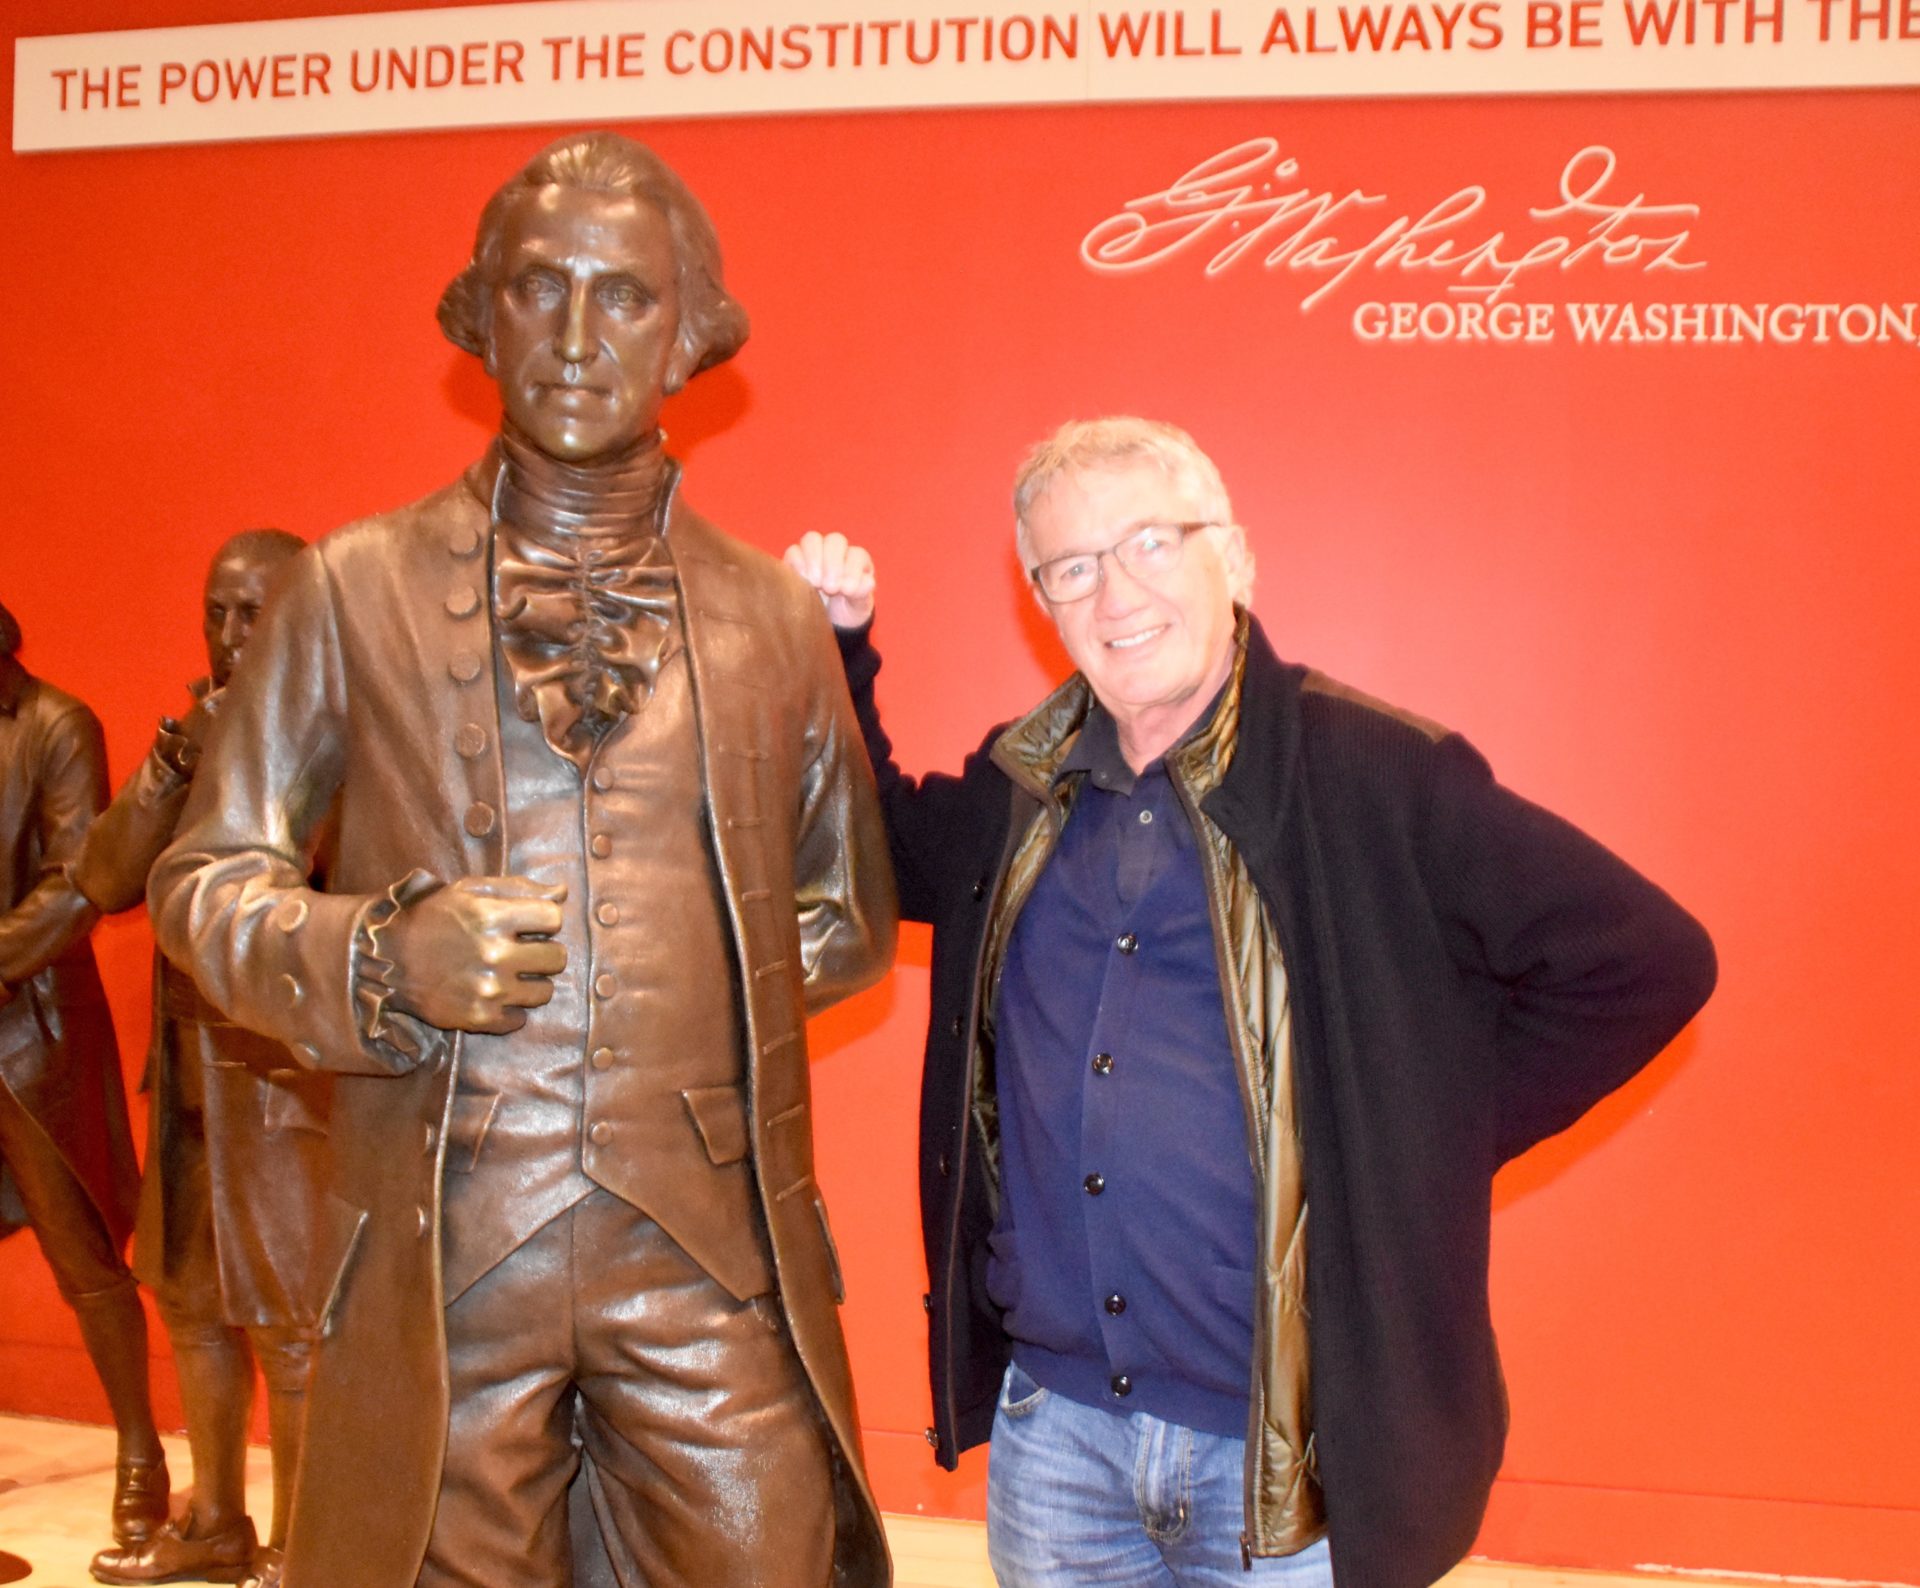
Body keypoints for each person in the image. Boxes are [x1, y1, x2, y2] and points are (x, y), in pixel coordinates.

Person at [785, 416, 1718, 1588]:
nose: (1114, 590)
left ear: (1233, 554)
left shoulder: (1372, 775)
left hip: (1292, 1457)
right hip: (1058, 1441)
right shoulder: (1015, 791)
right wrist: (833, 650)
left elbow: (1648, 960)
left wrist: (1414, 1139)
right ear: (1044, 603)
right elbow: (861, 842)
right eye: (1071, 567)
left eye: (1149, 544)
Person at [150, 132, 897, 1588]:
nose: (572, 336)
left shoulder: (771, 620)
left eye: (622, 297)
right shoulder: (348, 588)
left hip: (709, 1266)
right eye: (536, 288)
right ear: (478, 313)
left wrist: (690, 991)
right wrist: (376, 953)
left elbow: (849, 912)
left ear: (688, 338)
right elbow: (203, 881)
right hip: (444, 1264)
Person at [78, 529, 322, 1588]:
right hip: (184, 1072)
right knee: (190, 1302)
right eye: (216, 610)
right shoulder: (194, 733)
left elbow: (315, 887)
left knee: (288, 1323)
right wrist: (176, 755)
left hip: (276, 1078)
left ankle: (303, 1544)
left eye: (252, 612)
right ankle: (214, 1519)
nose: (228, 634)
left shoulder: (330, 731)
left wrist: (247, 751)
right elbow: (101, 875)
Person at [0, 597, 168, 1554]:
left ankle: (141, 1451)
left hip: (36, 1032)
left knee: (86, 1260)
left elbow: (80, 879)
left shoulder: (56, 725)